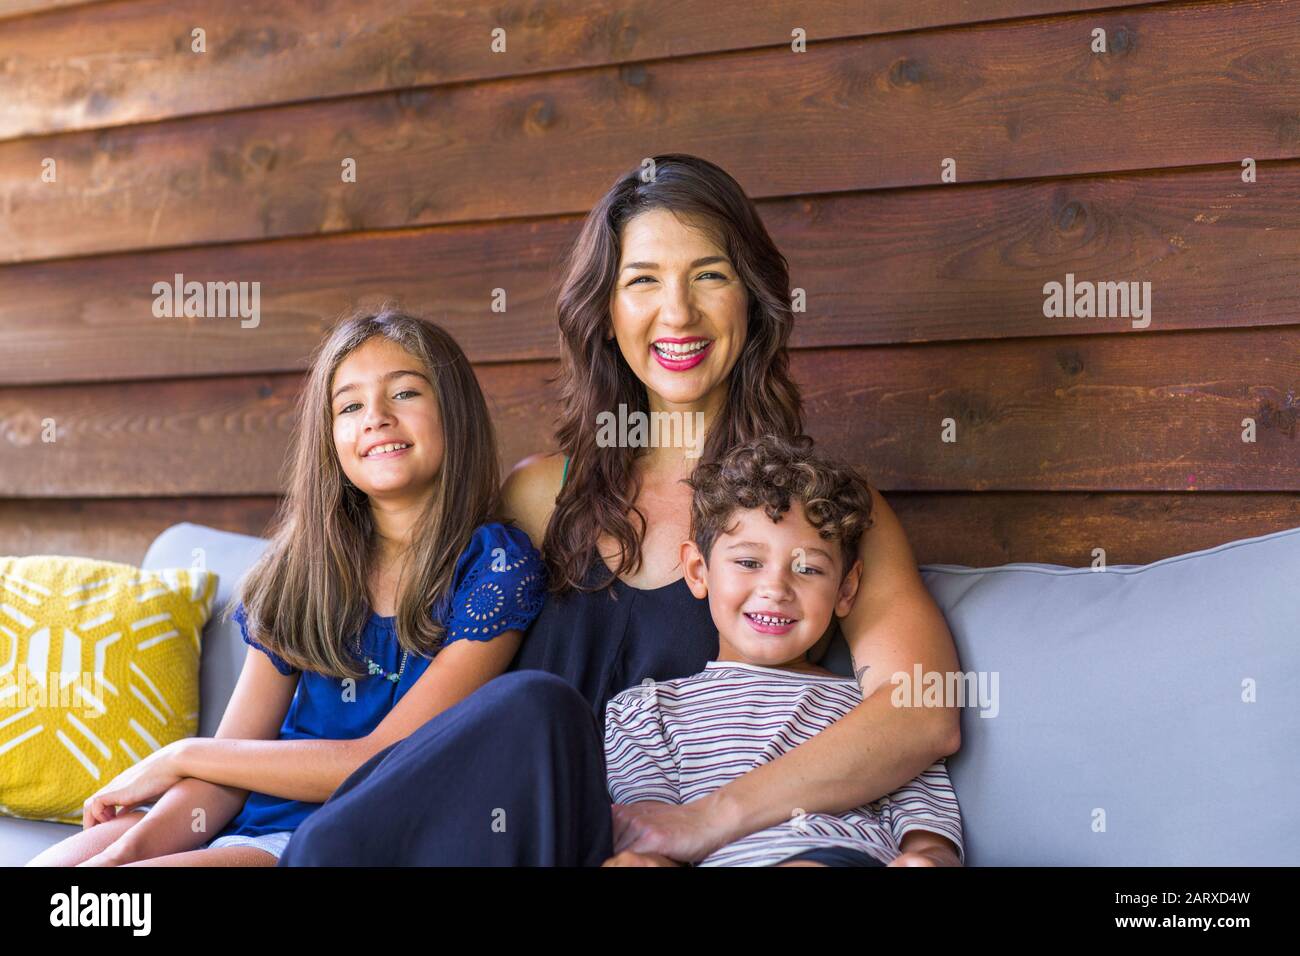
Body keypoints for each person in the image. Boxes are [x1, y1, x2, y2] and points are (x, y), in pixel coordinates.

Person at [279, 154, 962, 866]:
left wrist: (703, 821)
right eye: (642, 281)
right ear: (606, 313)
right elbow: (426, 700)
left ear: (753, 300)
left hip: (694, 854)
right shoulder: (533, 499)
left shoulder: (821, 508)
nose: (678, 312)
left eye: (709, 275)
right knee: (526, 713)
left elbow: (924, 711)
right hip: (524, 842)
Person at [27, 310, 545, 866]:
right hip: (239, 813)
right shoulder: (303, 567)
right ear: (330, 441)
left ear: (455, 413)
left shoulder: (493, 567)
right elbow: (223, 770)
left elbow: (378, 762)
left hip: (326, 840)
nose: (376, 418)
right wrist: (128, 850)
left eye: (405, 393)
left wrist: (183, 754)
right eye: (349, 406)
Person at [603, 435, 963, 867]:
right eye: (749, 562)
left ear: (845, 589)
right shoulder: (644, 711)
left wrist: (927, 859)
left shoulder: (870, 712)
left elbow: (928, 838)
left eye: (808, 568)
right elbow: (651, 834)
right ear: (698, 570)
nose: (775, 589)